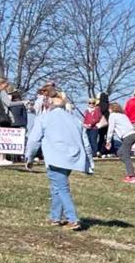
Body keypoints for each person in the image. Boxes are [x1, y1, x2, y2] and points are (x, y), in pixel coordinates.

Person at [26, 92, 94, 230]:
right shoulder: (75, 120)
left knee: (61, 188)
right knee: (57, 186)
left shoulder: (43, 118)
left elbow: (33, 140)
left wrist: (29, 157)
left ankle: (73, 219)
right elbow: (86, 143)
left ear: (49, 103)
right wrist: (90, 162)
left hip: (55, 156)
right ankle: (55, 217)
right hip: (72, 157)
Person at [106, 101, 135, 183]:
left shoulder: (113, 115)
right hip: (133, 135)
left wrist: (108, 141)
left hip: (128, 136)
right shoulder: (123, 115)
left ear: (111, 109)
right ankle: (132, 170)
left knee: (125, 154)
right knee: (120, 152)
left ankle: (132, 177)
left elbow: (111, 128)